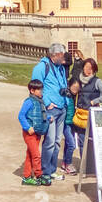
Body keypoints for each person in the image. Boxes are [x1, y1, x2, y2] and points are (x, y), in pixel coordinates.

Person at [30, 44, 68, 181]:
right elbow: (35, 87)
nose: (63, 57)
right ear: (54, 55)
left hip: (62, 108)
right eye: (61, 55)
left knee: (58, 141)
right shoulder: (41, 67)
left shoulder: (61, 68)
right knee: (50, 141)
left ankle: (52, 170)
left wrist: (66, 102)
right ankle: (45, 170)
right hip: (50, 110)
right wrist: (46, 103)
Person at [19, 79, 49, 186]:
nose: (41, 91)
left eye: (42, 89)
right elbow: (21, 116)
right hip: (30, 133)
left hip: (37, 132)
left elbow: (41, 114)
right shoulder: (29, 102)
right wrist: (27, 127)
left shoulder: (40, 102)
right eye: (39, 90)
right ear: (32, 91)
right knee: (36, 155)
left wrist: (49, 117)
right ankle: (38, 175)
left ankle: (26, 177)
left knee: (30, 154)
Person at [60, 77, 81, 175]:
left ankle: (64, 163)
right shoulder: (66, 95)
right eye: (74, 87)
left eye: (77, 88)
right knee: (72, 144)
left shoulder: (75, 96)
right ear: (69, 85)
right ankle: (68, 164)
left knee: (68, 144)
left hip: (72, 123)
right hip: (66, 124)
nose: (75, 90)